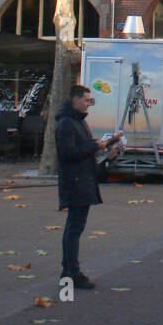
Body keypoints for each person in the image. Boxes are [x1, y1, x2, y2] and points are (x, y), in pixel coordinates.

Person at [56, 83, 119, 290]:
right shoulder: (66, 123)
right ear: (75, 100)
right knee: (74, 228)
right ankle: (71, 273)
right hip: (75, 183)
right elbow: (68, 153)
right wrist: (95, 145)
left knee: (76, 227)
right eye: (86, 100)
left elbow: (84, 150)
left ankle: (70, 271)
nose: (88, 104)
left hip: (82, 180)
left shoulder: (79, 122)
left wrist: (106, 149)